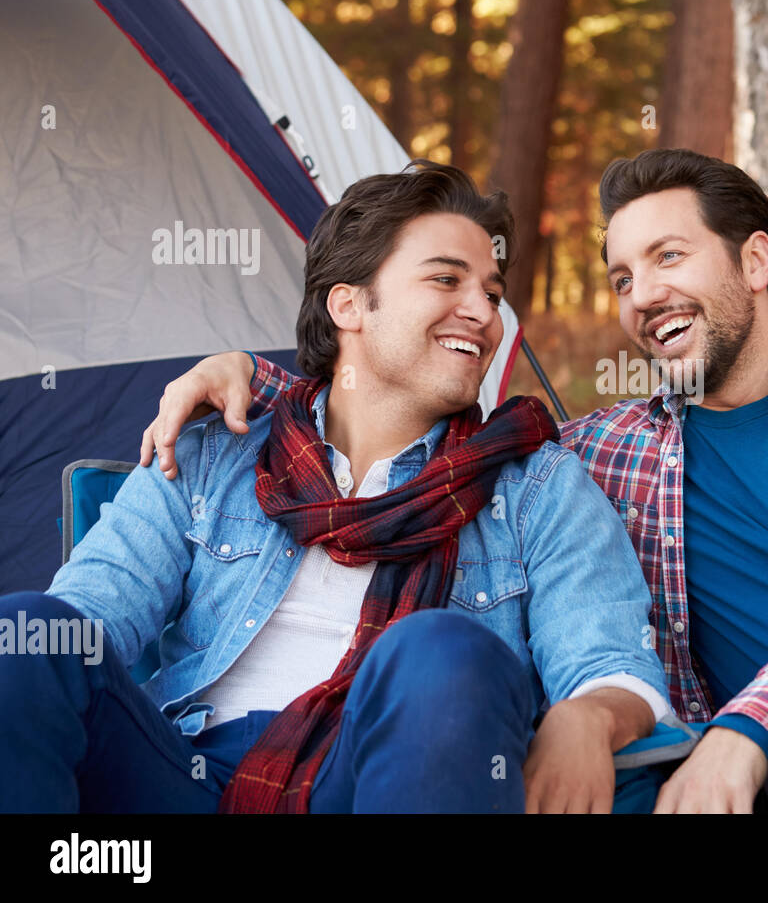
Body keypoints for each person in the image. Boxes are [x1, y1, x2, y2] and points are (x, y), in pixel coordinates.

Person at [143, 148, 768, 813]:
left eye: (668, 257)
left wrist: (740, 728)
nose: (642, 295)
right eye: (621, 276)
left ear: (756, 261)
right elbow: (407, 418)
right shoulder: (602, 454)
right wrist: (265, 377)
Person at [0, 160, 671, 814]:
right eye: (447, 279)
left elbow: (611, 664)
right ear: (348, 305)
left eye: (492, 295)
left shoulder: (538, 488)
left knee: (439, 650)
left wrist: (590, 716)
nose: (484, 314)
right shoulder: (213, 458)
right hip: (182, 773)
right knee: (25, 631)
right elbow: (85, 621)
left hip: (383, 773)